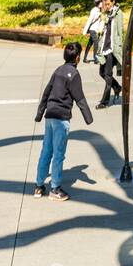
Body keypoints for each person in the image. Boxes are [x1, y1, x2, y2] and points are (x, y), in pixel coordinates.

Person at [33, 40, 93, 201]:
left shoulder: (58, 70)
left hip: (50, 116)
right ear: (78, 57)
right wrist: (89, 118)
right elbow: (79, 98)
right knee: (58, 154)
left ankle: (39, 186)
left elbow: (46, 92)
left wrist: (40, 113)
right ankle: (55, 189)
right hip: (61, 118)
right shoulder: (73, 74)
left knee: (46, 151)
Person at [96, 0, 123, 108]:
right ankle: (117, 87)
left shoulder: (118, 13)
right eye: (104, 4)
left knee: (107, 76)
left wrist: (120, 47)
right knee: (101, 73)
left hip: (112, 49)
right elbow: (102, 29)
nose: (106, 6)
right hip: (104, 48)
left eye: (108, 4)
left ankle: (104, 102)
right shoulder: (105, 13)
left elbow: (120, 31)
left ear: (113, 2)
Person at [82, 0, 103, 65]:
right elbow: (89, 20)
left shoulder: (99, 10)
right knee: (96, 42)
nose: (102, 3)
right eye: (101, 3)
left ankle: (84, 58)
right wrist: (85, 31)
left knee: (90, 44)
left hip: (96, 29)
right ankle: (95, 59)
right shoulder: (94, 10)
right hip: (92, 29)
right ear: (98, 4)